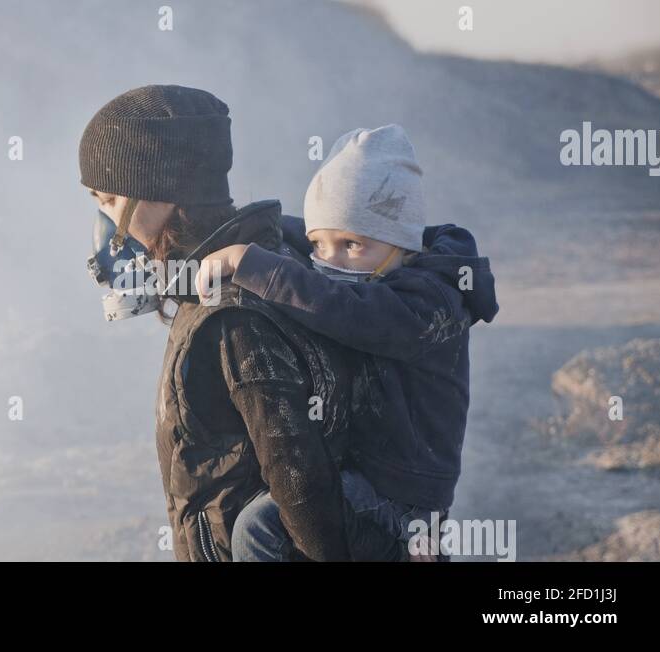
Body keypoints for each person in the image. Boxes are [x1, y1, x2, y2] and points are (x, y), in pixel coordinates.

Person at [80, 84, 406, 561]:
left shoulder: (231, 313)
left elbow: (303, 491)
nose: (104, 225)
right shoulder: (263, 267)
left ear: (164, 193)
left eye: (108, 199)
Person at [195, 125, 500, 560]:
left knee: (262, 527)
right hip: (364, 472)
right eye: (321, 245)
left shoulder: (430, 303)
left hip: (403, 502)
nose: (330, 260)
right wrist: (242, 231)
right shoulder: (373, 258)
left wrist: (249, 262)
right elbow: (313, 235)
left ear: (402, 246)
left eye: (351, 245)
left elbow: (346, 309)